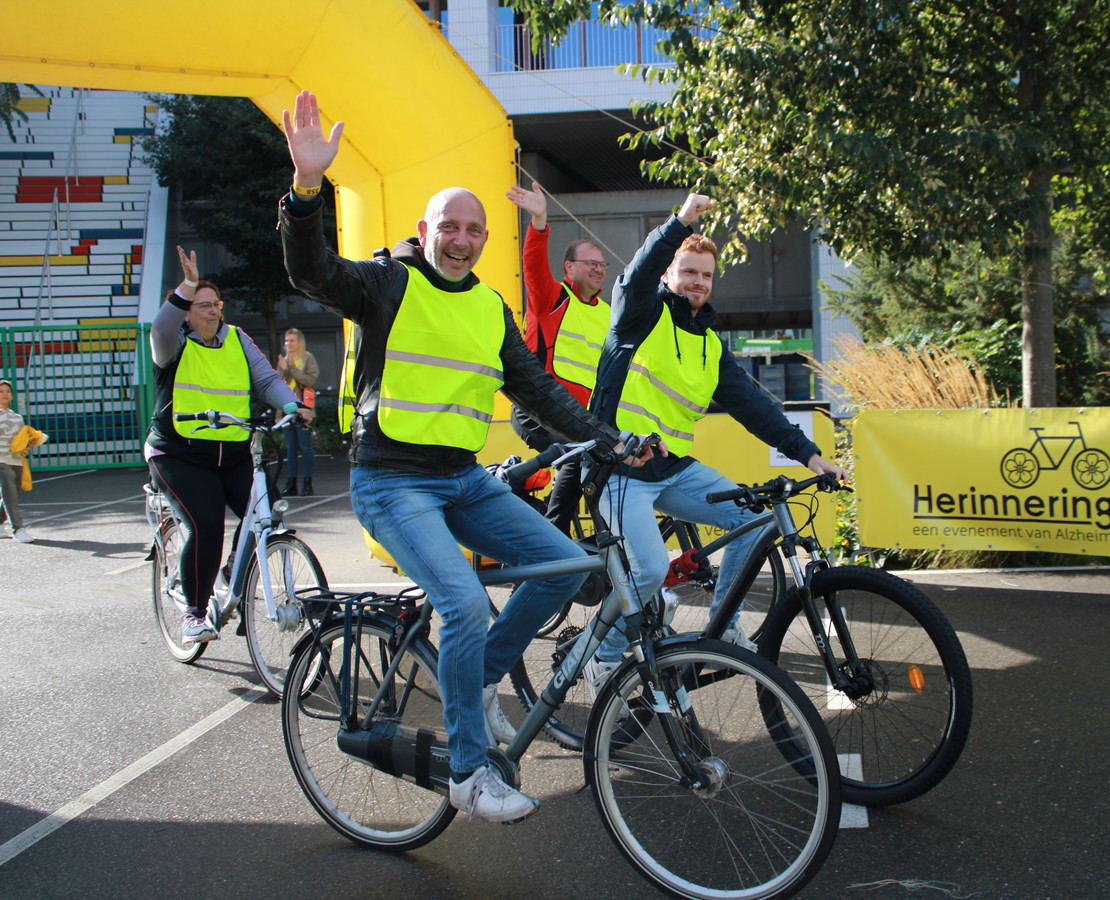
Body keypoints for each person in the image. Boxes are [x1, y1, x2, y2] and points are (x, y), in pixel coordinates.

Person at [278, 90, 648, 824]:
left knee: (564, 569)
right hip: (390, 482)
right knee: (464, 603)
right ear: (426, 229)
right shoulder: (389, 282)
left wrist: (607, 440)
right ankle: (468, 773)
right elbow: (312, 269)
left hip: (462, 479)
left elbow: (538, 388)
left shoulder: (487, 307)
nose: (462, 238)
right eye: (449, 225)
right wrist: (308, 189)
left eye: (474, 229)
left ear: (485, 240)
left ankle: (472, 682)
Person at [584, 192, 849, 698]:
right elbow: (636, 275)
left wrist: (810, 455)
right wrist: (678, 223)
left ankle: (722, 624)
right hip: (618, 472)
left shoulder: (710, 345)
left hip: (672, 470)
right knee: (651, 570)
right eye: (688, 272)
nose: (697, 283)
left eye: (705, 276)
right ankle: (604, 655)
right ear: (669, 275)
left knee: (752, 520)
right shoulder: (640, 313)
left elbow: (755, 406)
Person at [145, 248, 310, 643]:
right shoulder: (174, 346)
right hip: (179, 453)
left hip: (232, 451)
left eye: (216, 304)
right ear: (187, 312)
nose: (212, 311)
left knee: (268, 513)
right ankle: (194, 612)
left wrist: (291, 405)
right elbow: (159, 329)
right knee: (205, 523)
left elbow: (267, 380)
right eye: (202, 305)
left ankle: (235, 567)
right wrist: (187, 285)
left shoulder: (237, 339)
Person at [504, 180, 611, 536]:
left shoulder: (607, 313)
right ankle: (556, 544)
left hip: (580, 417)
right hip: (538, 410)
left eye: (602, 264)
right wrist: (538, 221)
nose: (599, 268)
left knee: (609, 459)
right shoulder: (553, 297)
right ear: (568, 269)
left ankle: (600, 551)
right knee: (574, 454)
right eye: (590, 263)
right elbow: (533, 266)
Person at [275, 327, 319, 496]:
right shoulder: (283, 360)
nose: (288, 344)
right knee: (290, 447)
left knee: (305, 446)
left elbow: (310, 380)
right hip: (287, 410)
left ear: (299, 342)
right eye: (286, 340)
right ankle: (291, 482)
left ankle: (307, 482)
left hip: (304, 409)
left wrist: (291, 367)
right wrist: (278, 415)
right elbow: (279, 385)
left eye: (292, 340)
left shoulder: (308, 359)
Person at [0, 378, 43, 543]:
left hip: (16, 460)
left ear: (11, 396)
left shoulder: (17, 418)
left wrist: (32, 441)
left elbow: (21, 440)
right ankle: (18, 529)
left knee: (10, 493)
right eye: (1, 391)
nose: (4, 394)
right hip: (1, 460)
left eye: (7, 392)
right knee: (10, 493)